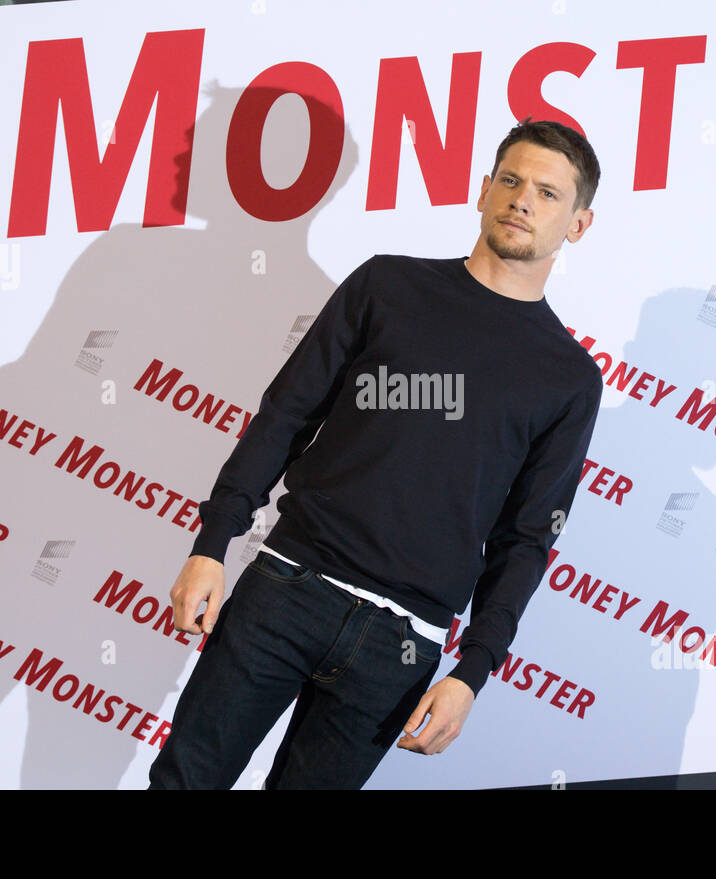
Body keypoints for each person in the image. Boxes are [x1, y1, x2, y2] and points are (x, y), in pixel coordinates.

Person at [147, 117, 603, 789]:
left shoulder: (568, 377)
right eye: (509, 180)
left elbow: (527, 538)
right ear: (483, 189)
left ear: (577, 223)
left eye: (546, 192)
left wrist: (471, 671)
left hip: (401, 646)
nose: (522, 200)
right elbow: (286, 415)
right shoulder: (387, 286)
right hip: (287, 589)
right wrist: (213, 540)